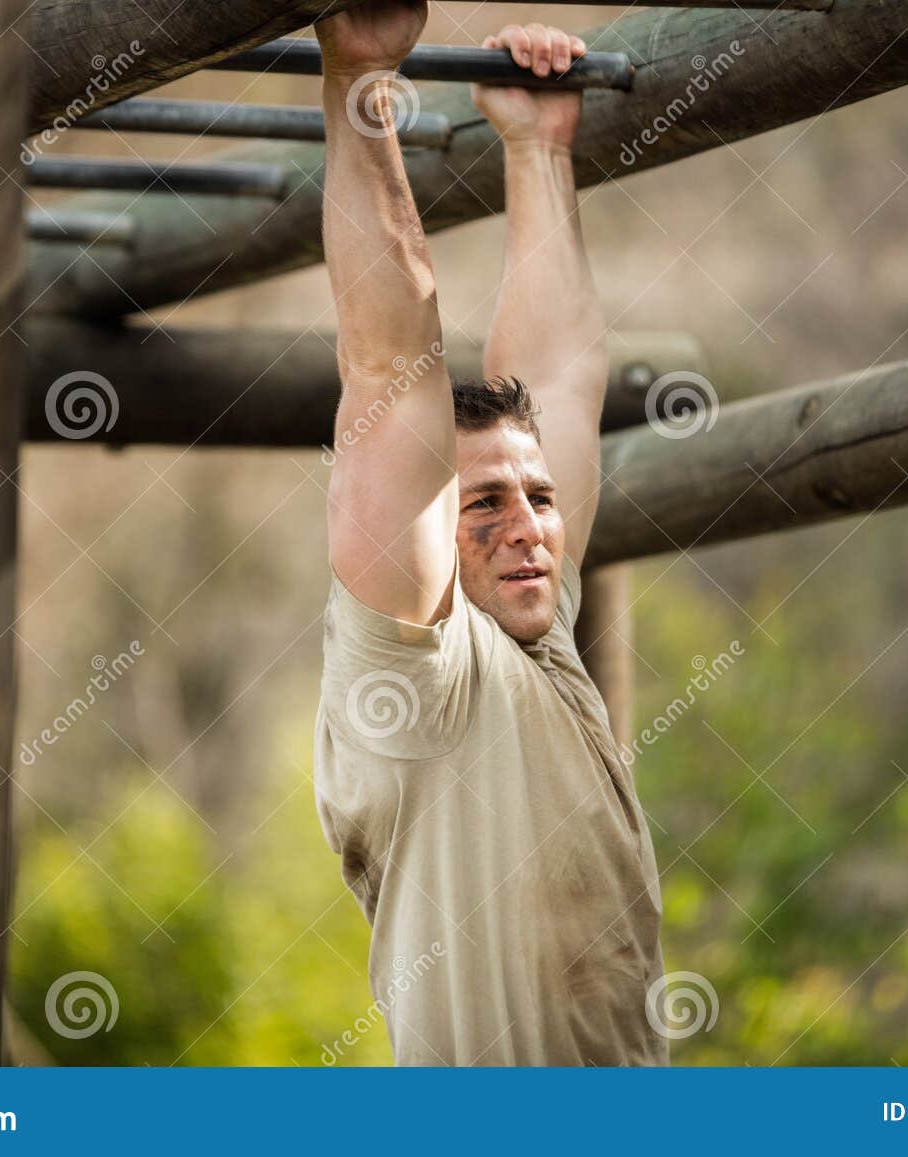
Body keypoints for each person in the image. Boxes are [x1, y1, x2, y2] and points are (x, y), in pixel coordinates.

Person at [312, 0, 667, 1066]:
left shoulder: (539, 644)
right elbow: (388, 365)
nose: (527, 526)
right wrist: (359, 82)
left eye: (538, 498)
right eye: (483, 504)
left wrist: (535, 147)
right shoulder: (420, 675)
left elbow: (559, 372)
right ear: (430, 526)